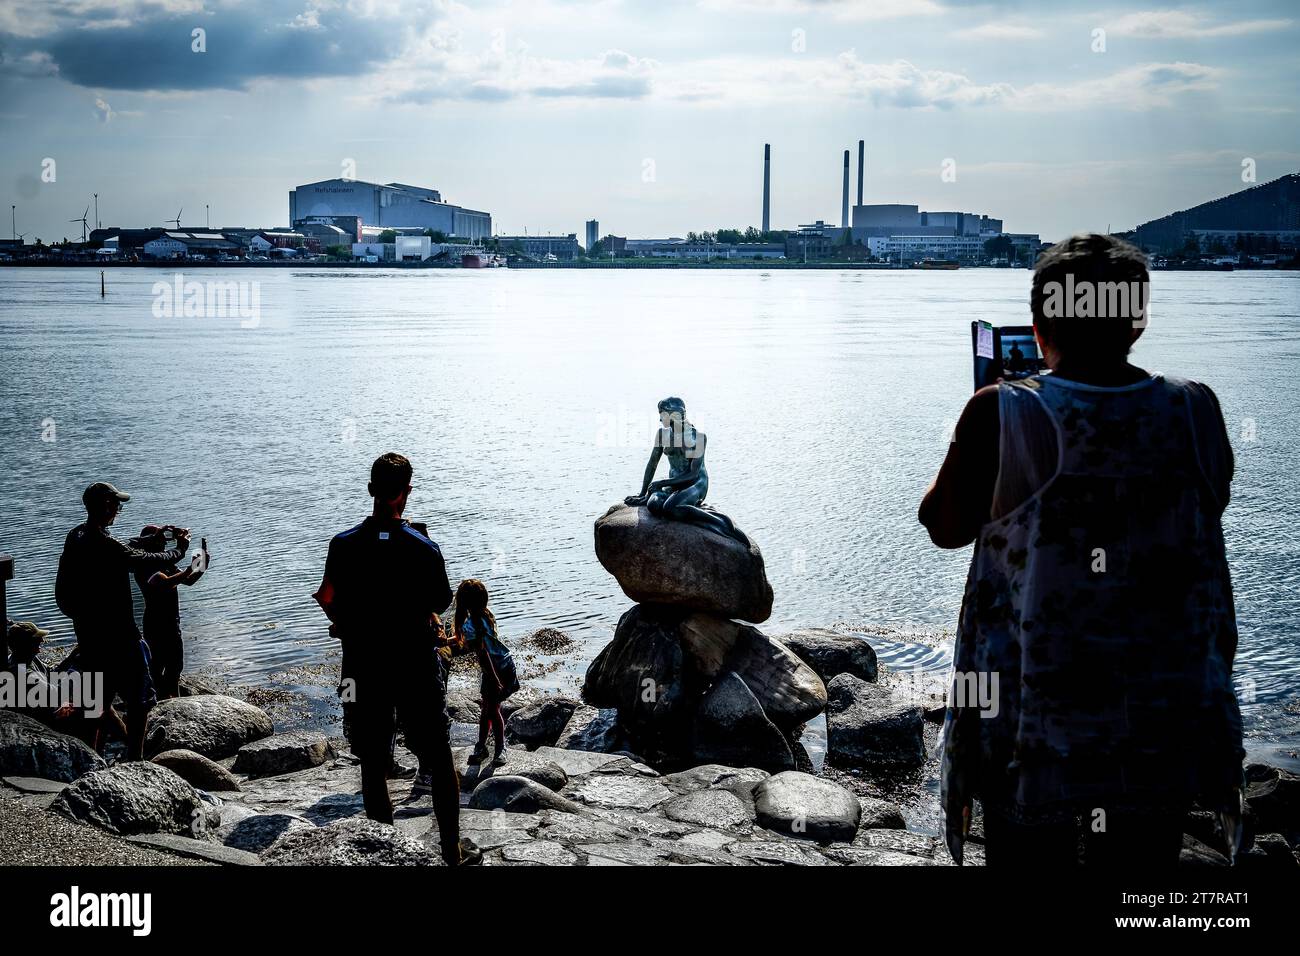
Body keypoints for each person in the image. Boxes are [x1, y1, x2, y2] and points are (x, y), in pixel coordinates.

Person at [919, 233, 1245, 867]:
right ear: (1137, 324)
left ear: (1040, 328)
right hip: (1161, 699)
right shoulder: (1194, 408)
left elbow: (944, 524)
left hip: (1030, 708)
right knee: (1144, 866)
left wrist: (993, 416)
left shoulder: (1002, 409)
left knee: (1024, 857)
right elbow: (1211, 503)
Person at [312, 453, 475, 865]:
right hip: (415, 663)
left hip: (364, 664)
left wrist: (347, 622)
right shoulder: (423, 547)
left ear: (370, 490)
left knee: (372, 758)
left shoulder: (343, 544)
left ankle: (386, 851)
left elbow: (328, 599)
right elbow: (440, 600)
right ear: (407, 492)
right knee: (438, 755)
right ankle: (451, 851)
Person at [55, 482, 188, 760]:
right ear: (105, 505)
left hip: (90, 637)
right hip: (122, 637)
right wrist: (179, 551)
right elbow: (141, 558)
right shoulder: (104, 543)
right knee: (140, 702)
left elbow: (123, 549)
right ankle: (136, 759)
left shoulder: (77, 535)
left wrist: (149, 540)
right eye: (116, 504)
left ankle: (93, 759)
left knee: (96, 702)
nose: (119, 509)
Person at [625, 396, 747, 543]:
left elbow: (693, 474)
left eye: (662, 414)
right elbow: (652, 464)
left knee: (671, 508)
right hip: (674, 485)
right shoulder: (662, 434)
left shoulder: (697, 438)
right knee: (654, 505)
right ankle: (685, 507)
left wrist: (662, 483)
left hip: (695, 484)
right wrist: (643, 493)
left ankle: (722, 523)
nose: (659, 419)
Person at [131, 526, 210, 699]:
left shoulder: (164, 564)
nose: (164, 542)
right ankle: (162, 700)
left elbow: (188, 581)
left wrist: (202, 564)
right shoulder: (144, 566)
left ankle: (174, 698)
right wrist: (191, 567)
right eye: (160, 538)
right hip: (157, 622)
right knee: (158, 666)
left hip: (172, 621)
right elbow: (164, 583)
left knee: (175, 666)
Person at [453, 578, 518, 765]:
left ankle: (499, 749)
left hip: (494, 669)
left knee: (492, 710)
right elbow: (467, 642)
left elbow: (483, 655)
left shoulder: (470, 624)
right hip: (505, 663)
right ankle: (481, 745)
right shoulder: (486, 614)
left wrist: (494, 679)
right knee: (486, 709)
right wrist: (448, 642)